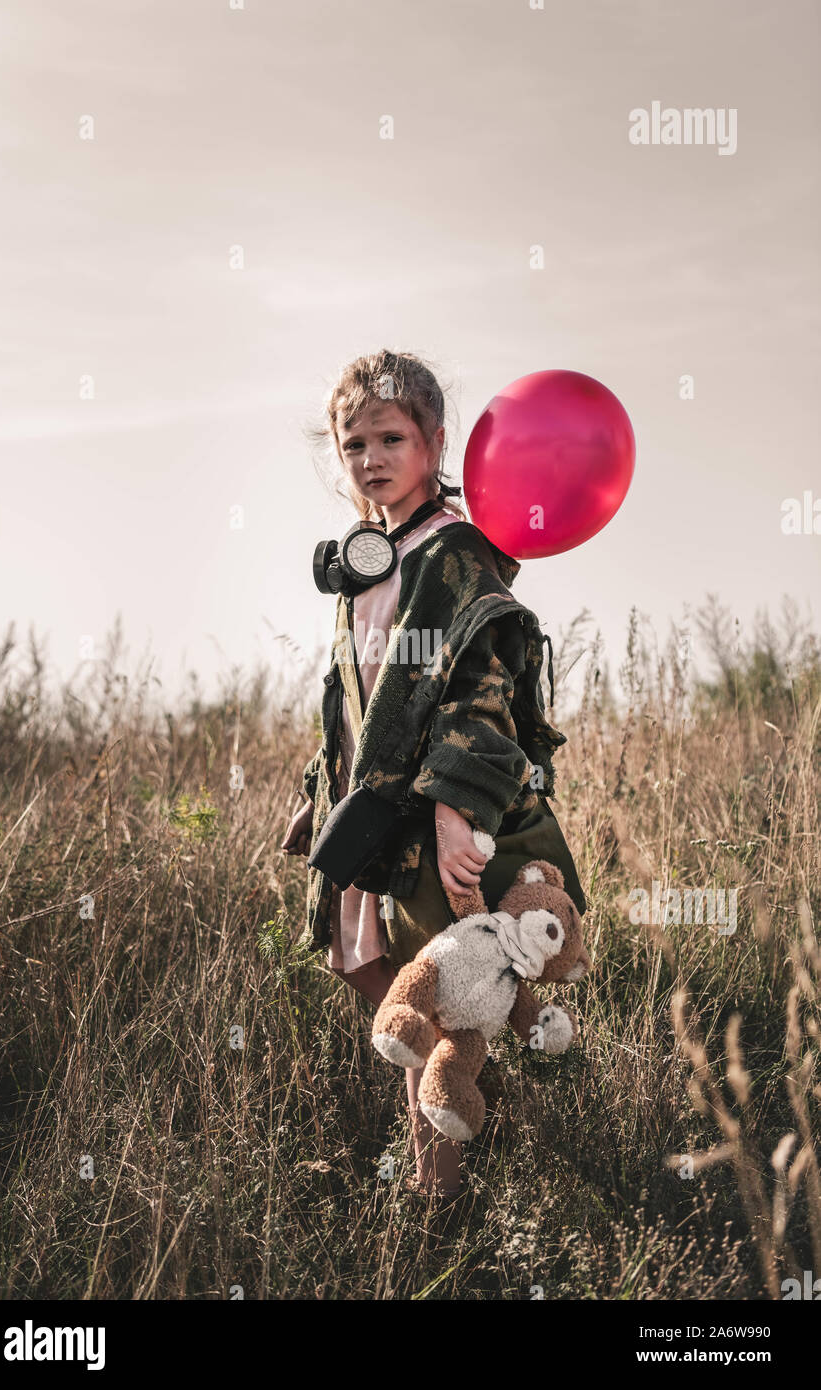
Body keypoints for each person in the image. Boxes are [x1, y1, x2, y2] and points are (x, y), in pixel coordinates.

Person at [282, 349, 585, 1201]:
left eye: (390, 438)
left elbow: (477, 693)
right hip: (372, 816)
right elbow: (358, 698)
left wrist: (456, 811)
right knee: (390, 1002)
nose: (371, 458)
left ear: (434, 441)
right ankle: (443, 1157)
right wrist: (318, 794)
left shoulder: (453, 553)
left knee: (439, 1010)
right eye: (353, 444)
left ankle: (437, 1202)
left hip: (428, 826)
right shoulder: (372, 557)